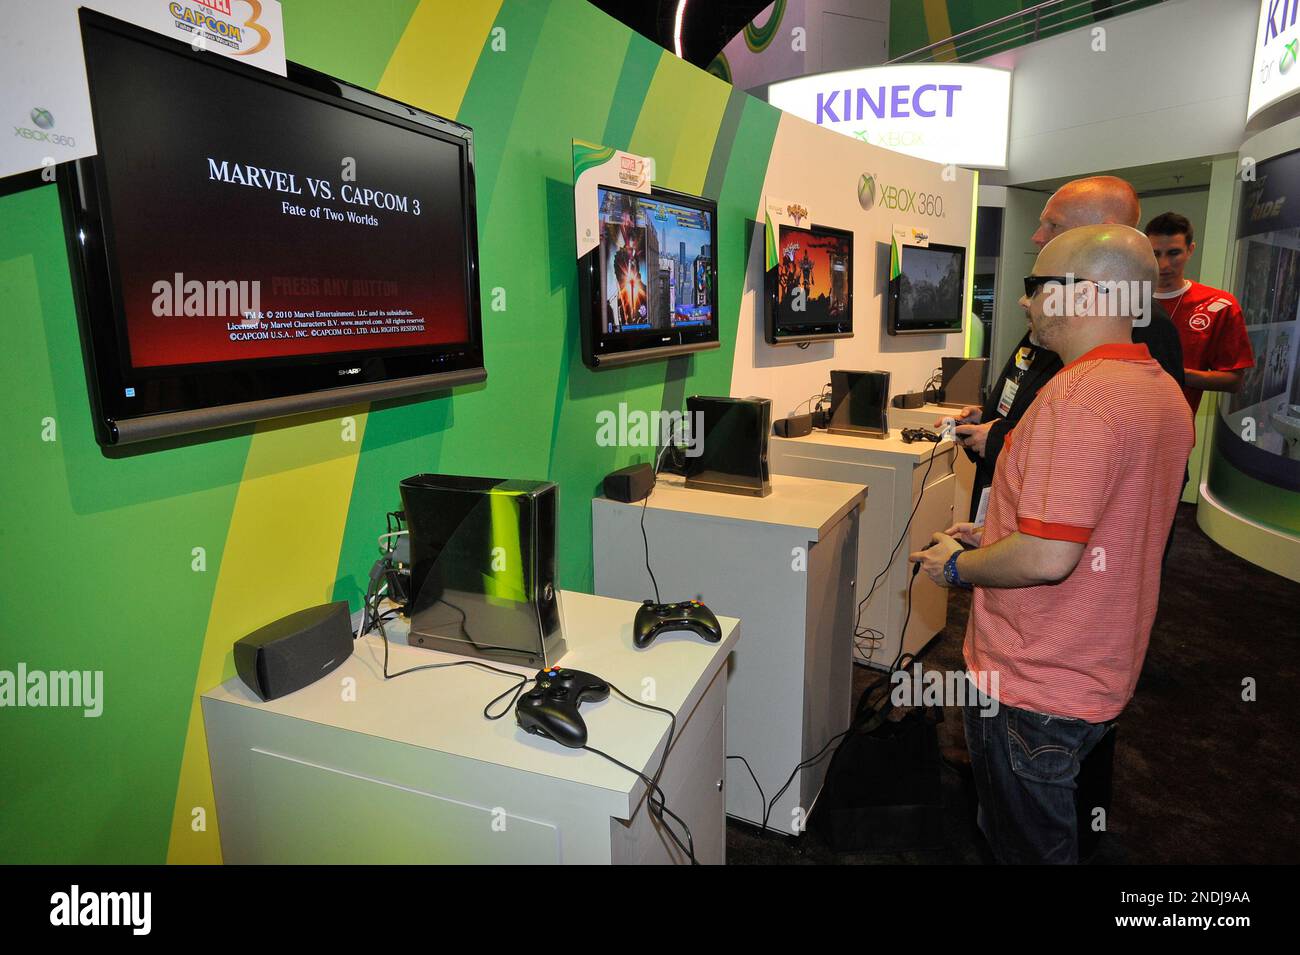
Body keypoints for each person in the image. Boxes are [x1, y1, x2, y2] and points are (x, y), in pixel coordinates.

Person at [909, 225, 1194, 864]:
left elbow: (1046, 557)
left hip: (1034, 680)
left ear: (1086, 296)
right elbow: (1110, 519)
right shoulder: (1161, 390)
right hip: (1100, 666)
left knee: (1026, 846)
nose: (1023, 302)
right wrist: (996, 531)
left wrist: (955, 566)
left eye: (1038, 287)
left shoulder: (1077, 401)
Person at [942, 177, 1185, 521]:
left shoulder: (1141, 322)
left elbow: (1114, 455)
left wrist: (998, 439)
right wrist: (992, 419)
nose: (1037, 237)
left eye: (1053, 225)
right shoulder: (1059, 310)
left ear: (1103, 231)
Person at [1145, 212, 1254, 414]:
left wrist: (1175, 374)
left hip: (1173, 430)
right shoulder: (1120, 300)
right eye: (1155, 254)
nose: (1163, 265)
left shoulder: (1219, 305)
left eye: (1174, 253)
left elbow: (1234, 380)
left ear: (1190, 250)